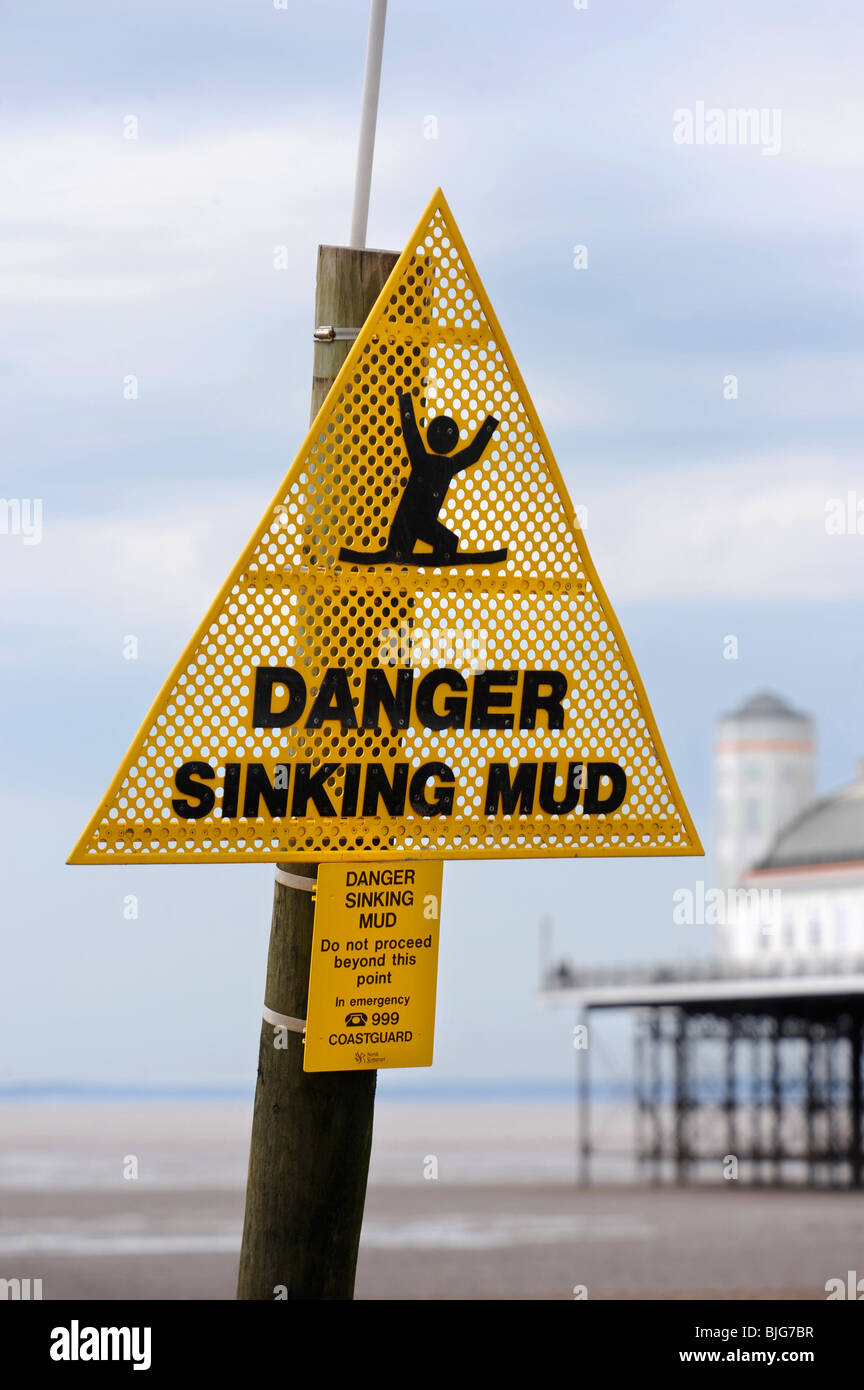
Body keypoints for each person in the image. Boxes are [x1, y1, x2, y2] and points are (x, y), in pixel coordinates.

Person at [338, 391, 505, 565]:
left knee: (449, 541)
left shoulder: (431, 462)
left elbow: (413, 436)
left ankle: (408, 555)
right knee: (446, 542)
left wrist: (406, 404)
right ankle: (405, 555)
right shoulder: (439, 464)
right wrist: (490, 425)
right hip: (408, 525)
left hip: (419, 523)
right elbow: (471, 453)